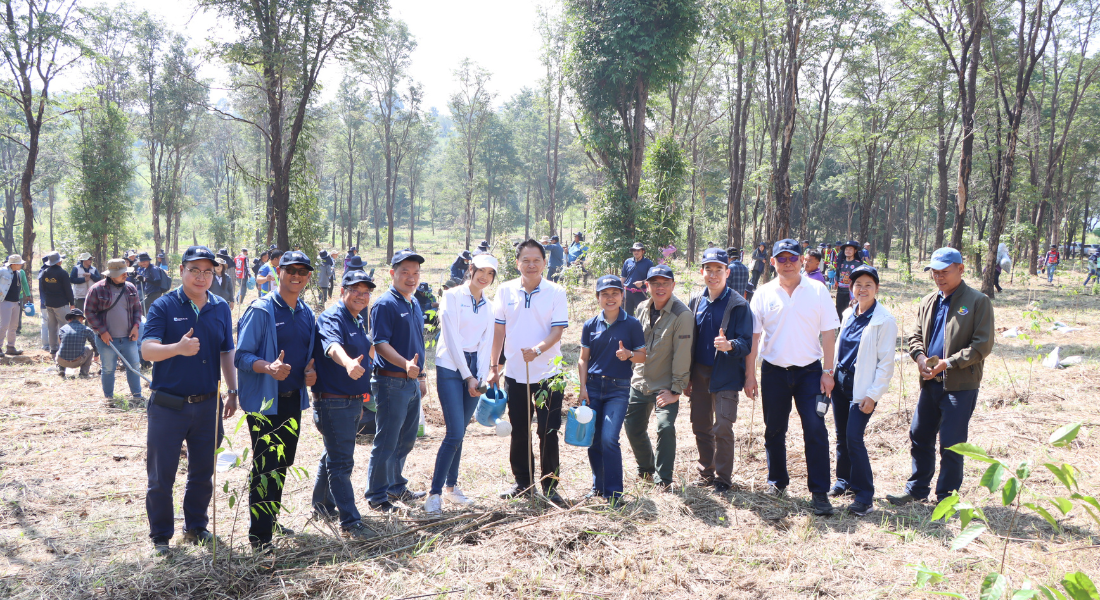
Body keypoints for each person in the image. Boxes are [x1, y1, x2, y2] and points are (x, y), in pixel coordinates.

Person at [140, 245, 238, 556]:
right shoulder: (164, 305)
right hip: (169, 405)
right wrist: (177, 348)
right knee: (161, 476)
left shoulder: (220, 307)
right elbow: (147, 350)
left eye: (208, 271)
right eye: (194, 270)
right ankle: (161, 537)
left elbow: (226, 351)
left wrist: (232, 391)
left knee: (202, 472)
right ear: (181, 271)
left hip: (208, 404)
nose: (201, 276)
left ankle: (196, 525)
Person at [888, 247, 994, 506]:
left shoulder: (978, 301)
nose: (939, 277)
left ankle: (947, 497)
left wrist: (948, 363)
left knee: (951, 444)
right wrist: (920, 358)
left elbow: (982, 345)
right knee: (920, 435)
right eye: (934, 273)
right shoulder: (928, 301)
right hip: (930, 382)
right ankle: (917, 489)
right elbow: (914, 337)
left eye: (945, 272)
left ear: (961, 269)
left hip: (960, 384)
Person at [750, 239, 841, 515]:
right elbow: (754, 337)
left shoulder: (817, 290)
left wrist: (828, 372)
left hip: (810, 374)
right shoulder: (763, 293)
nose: (787, 263)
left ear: (802, 260)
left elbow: (828, 334)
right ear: (773, 262)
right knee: (774, 430)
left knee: (815, 430)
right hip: (774, 372)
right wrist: (749, 374)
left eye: (792, 258)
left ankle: (819, 492)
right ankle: (777, 482)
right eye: (782, 259)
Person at [235, 250, 318, 550]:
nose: (296, 275)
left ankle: (269, 519)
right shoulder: (261, 310)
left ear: (309, 276)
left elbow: (308, 357)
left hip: (292, 399)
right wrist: (268, 367)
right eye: (290, 270)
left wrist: (311, 374)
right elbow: (241, 357)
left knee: (282, 462)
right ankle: (260, 538)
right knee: (265, 466)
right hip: (265, 403)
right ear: (278, 271)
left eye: (303, 271)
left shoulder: (307, 313)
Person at [489, 239, 570, 504]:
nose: (531, 265)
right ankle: (523, 484)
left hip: (549, 375)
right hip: (515, 374)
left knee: (547, 430)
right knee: (520, 430)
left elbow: (557, 331)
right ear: (517, 263)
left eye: (536, 260)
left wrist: (537, 349)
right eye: (526, 260)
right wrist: (494, 367)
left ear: (545, 263)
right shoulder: (504, 290)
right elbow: (499, 330)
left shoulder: (556, 292)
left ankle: (550, 486)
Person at [425, 254, 499, 515]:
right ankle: (433, 494)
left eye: (490, 273)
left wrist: (479, 377)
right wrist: (467, 375)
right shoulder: (453, 296)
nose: (484, 277)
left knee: (461, 432)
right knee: (454, 432)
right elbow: (452, 339)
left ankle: (451, 487)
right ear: (471, 269)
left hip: (473, 369)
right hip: (449, 366)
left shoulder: (489, 306)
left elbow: (485, 343)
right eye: (481, 271)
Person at [310, 270, 378, 539]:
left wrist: (360, 397)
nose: (361, 296)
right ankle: (350, 522)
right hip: (333, 402)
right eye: (355, 290)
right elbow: (332, 346)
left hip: (349, 401)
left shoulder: (357, 319)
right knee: (341, 462)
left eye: (366, 292)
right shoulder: (332, 317)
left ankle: (322, 505)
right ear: (342, 291)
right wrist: (348, 362)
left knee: (333, 454)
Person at [828, 266, 896, 516]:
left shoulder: (884, 320)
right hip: (841, 385)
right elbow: (839, 349)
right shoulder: (848, 313)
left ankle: (865, 495)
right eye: (858, 284)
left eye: (868, 284)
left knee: (854, 438)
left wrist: (873, 395)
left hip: (863, 390)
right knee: (841, 436)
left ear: (877, 288)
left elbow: (886, 364)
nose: (863, 289)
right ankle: (844, 481)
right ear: (851, 288)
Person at [687, 248, 755, 494]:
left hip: (726, 374)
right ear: (702, 272)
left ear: (727, 272)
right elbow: (688, 341)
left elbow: (747, 342)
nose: (713, 275)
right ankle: (706, 471)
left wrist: (730, 345)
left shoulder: (738, 305)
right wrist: (686, 376)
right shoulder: (695, 302)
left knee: (723, 426)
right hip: (700, 373)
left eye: (718, 270)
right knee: (700, 424)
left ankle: (723, 479)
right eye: (708, 270)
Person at [365, 249, 428, 513]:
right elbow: (379, 344)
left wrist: (421, 376)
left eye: (415, 273)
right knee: (387, 440)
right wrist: (406, 365)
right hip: (391, 382)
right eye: (405, 272)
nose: (411, 278)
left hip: (411, 382)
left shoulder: (413, 303)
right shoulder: (385, 304)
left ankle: (395, 485)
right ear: (392, 274)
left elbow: (418, 344)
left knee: (406, 438)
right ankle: (377, 496)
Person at [576, 276, 646, 504]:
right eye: (604, 294)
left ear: (622, 296)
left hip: (618, 388)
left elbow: (643, 356)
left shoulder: (632, 324)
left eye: (615, 293)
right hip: (593, 387)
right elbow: (583, 359)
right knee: (594, 439)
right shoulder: (590, 325)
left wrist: (629, 355)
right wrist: (582, 388)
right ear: (597, 298)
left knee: (608, 438)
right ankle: (599, 487)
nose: (610, 298)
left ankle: (615, 493)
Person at [623, 265, 693, 490]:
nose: (660, 288)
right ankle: (646, 469)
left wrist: (676, 390)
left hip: (665, 385)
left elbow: (682, 354)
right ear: (647, 286)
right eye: (655, 283)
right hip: (640, 380)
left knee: (665, 427)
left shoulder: (682, 315)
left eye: (665, 283)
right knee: (632, 426)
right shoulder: (642, 308)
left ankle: (663, 479)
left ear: (673, 285)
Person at [84, 258, 144, 406]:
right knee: (108, 369)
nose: (125, 275)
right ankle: (109, 398)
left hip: (129, 338)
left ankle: (137, 396)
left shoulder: (130, 288)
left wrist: (136, 326)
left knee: (134, 367)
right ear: (111, 274)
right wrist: (102, 331)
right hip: (107, 340)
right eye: (122, 273)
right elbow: (89, 313)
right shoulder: (97, 289)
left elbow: (137, 310)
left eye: (126, 272)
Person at [39, 251, 73, 355]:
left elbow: (43, 288)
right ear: (59, 262)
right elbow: (68, 289)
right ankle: (64, 347)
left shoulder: (45, 272)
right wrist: (72, 302)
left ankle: (53, 348)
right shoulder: (63, 273)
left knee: (52, 327)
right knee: (64, 326)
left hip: (49, 303)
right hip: (61, 304)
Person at [0, 254, 30, 356]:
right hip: (5, 301)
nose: (21, 265)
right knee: (4, 325)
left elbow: (22, 285)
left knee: (14, 326)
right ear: (13, 264)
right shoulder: (2, 271)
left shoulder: (19, 273)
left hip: (16, 302)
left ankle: (11, 347)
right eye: (19, 263)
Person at [55, 308, 97, 379]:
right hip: (77, 361)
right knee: (90, 348)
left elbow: (61, 344)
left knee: (60, 349)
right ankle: (83, 373)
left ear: (70, 319)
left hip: (61, 360)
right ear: (81, 319)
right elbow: (95, 344)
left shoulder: (62, 329)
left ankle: (61, 369)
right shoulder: (86, 329)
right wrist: (97, 354)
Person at [621, 242, 654, 317]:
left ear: (643, 251)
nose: (636, 252)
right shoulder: (627, 262)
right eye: (634, 250)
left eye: (638, 250)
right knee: (626, 316)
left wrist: (642, 282)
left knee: (642, 315)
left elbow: (651, 279)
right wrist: (620, 291)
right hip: (627, 293)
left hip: (640, 293)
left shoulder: (648, 263)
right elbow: (623, 277)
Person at [835, 240, 864, 320]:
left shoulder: (858, 264)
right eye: (846, 249)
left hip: (851, 293)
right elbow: (837, 273)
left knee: (851, 311)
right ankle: (840, 329)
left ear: (855, 251)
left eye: (850, 249)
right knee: (840, 311)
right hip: (840, 291)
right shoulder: (841, 262)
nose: (848, 251)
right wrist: (836, 281)